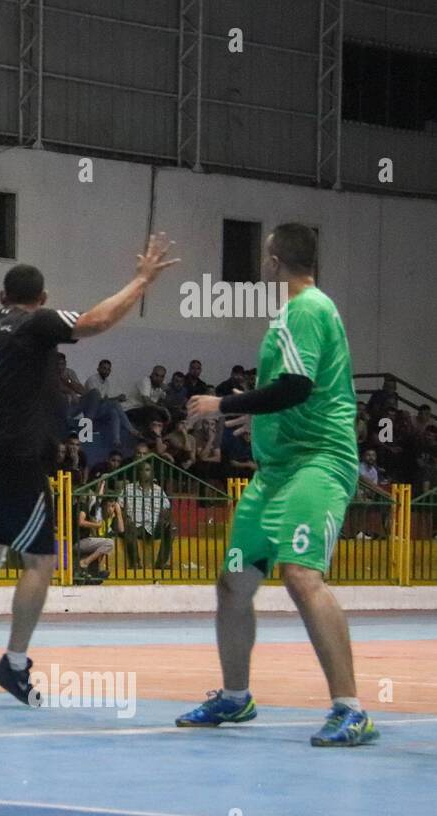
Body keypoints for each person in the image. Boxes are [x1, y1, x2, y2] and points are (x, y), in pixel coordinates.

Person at [0, 234, 179, 700]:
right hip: (17, 455)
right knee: (41, 560)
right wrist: (141, 280)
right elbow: (96, 321)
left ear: (2, 297)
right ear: (41, 299)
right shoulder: (36, 322)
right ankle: (14, 663)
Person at [177, 223, 379, 746]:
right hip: (277, 469)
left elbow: (296, 387)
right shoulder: (296, 314)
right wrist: (258, 421)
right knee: (233, 581)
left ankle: (351, 708)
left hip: (317, 463)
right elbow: (291, 393)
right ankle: (235, 698)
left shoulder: (305, 309)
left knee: (301, 576)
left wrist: (222, 404)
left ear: (272, 262)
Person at [121, 459, 174, 570]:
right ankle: (135, 563)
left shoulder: (159, 491)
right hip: (136, 525)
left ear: (152, 473)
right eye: (142, 470)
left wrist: (165, 518)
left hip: (154, 526)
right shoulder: (128, 488)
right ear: (138, 472)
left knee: (172, 528)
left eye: (148, 470)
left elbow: (166, 508)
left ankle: (161, 562)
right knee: (129, 527)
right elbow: (119, 505)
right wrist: (125, 517)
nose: (144, 472)